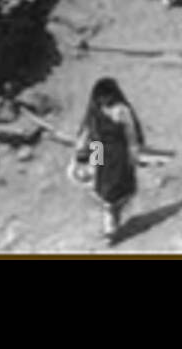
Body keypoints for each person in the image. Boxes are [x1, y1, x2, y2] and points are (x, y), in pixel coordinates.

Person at [69, 77, 146, 243]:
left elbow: (130, 134)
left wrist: (133, 153)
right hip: (98, 148)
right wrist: (82, 150)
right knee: (101, 186)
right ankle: (110, 225)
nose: (104, 99)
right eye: (101, 96)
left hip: (118, 152)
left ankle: (112, 222)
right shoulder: (95, 111)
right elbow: (88, 130)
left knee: (117, 187)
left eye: (107, 95)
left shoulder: (121, 111)